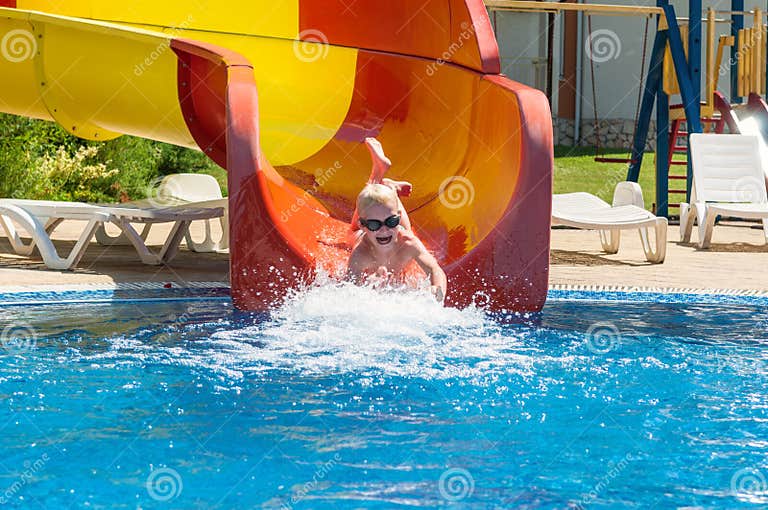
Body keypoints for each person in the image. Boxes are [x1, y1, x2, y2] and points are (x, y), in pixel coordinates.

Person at [346, 138, 447, 303]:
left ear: (398, 218)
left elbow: (435, 269)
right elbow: (349, 295)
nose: (384, 230)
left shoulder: (408, 242)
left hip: (399, 231)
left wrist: (437, 292)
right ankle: (384, 181)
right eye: (373, 225)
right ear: (363, 225)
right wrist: (368, 292)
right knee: (352, 231)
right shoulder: (360, 254)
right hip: (371, 228)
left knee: (384, 207)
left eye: (391, 221)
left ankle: (388, 186)